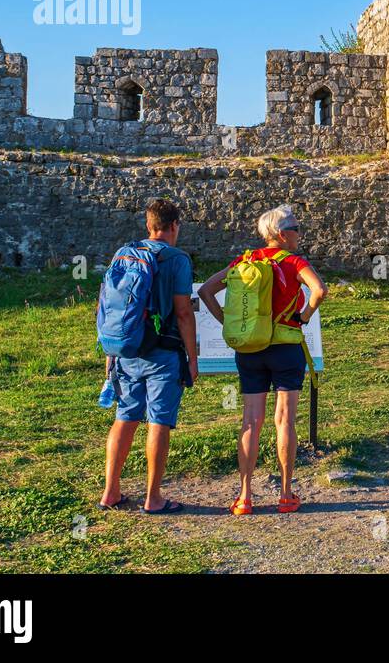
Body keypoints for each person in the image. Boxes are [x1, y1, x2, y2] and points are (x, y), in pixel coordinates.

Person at [198, 205, 327, 516]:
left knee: (250, 422)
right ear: (282, 234)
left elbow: (205, 290)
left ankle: (244, 497)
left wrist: (227, 321)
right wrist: (304, 317)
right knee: (284, 421)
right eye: (296, 228)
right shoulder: (294, 261)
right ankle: (285, 494)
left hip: (250, 349)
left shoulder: (244, 261)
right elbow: (319, 291)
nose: (299, 233)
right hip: (285, 348)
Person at [99, 198, 198, 515]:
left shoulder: (123, 253)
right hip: (163, 354)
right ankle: (153, 498)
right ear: (174, 226)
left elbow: (108, 305)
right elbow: (183, 313)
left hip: (126, 350)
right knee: (159, 421)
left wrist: (110, 353)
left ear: (148, 225)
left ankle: (111, 491)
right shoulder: (177, 259)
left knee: (125, 417)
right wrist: (192, 359)